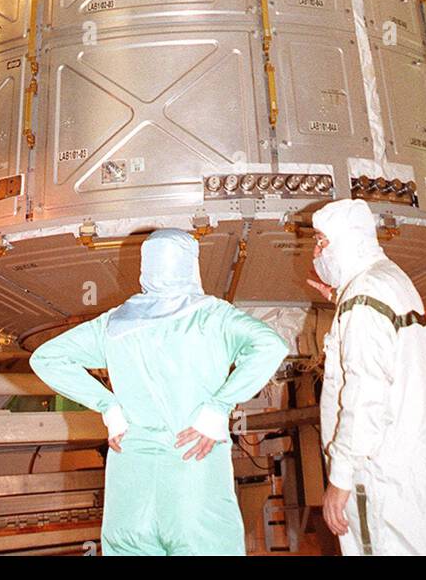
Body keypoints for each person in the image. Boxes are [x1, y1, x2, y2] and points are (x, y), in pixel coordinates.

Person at [29, 228, 287, 556]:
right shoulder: (213, 317)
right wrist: (217, 408)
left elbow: (46, 358)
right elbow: (270, 345)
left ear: (144, 268)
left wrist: (108, 407)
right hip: (194, 480)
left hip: (130, 487)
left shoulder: (113, 324)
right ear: (190, 265)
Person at [308, 197, 426, 555]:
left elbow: (366, 394)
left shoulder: (362, 300)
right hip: (413, 471)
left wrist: (340, 478)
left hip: (379, 476)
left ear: (347, 240)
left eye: (321, 241)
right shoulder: (388, 280)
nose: (315, 252)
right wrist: (343, 298)